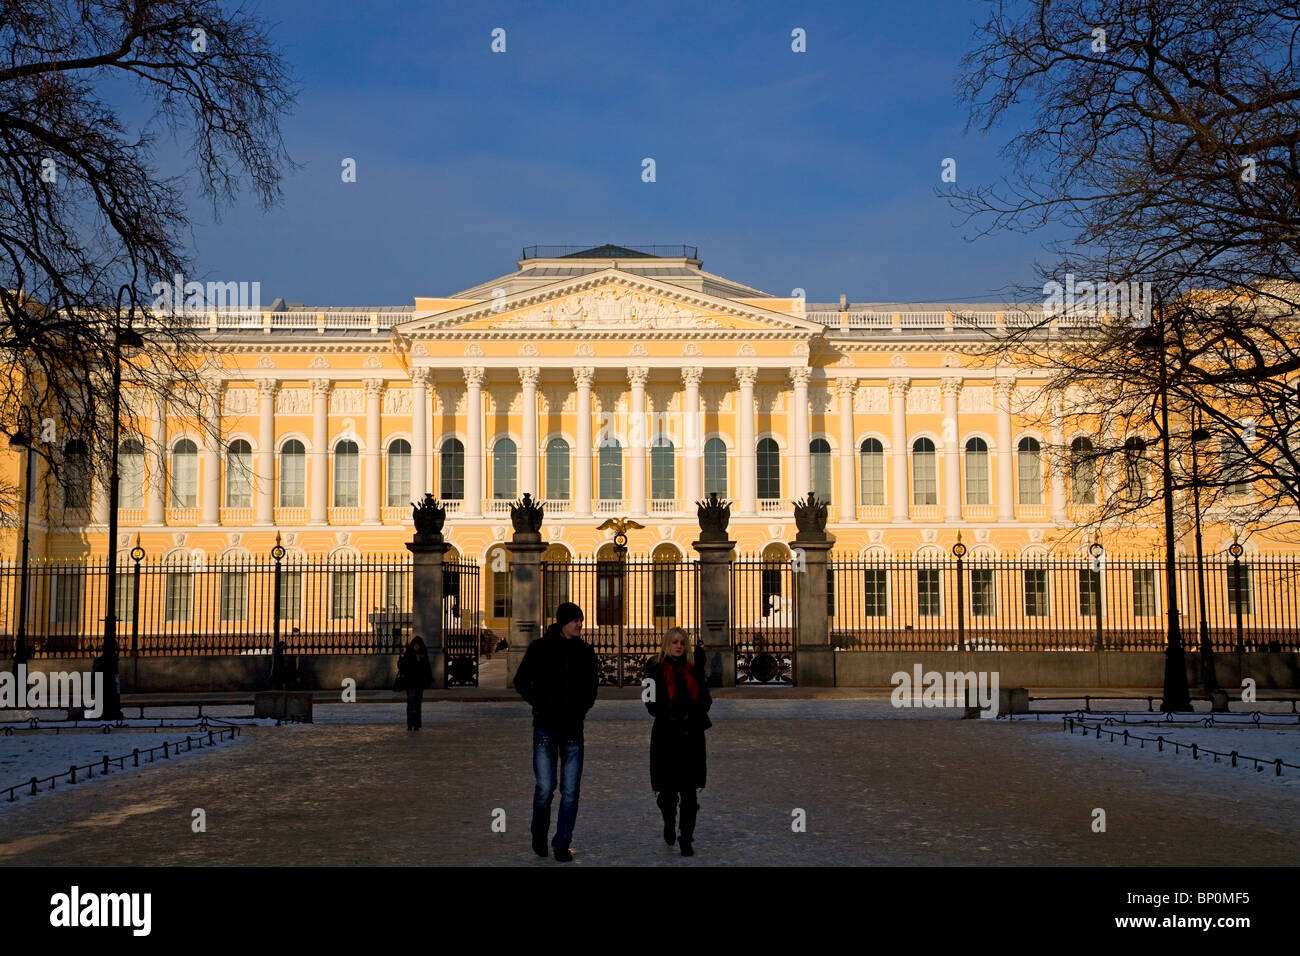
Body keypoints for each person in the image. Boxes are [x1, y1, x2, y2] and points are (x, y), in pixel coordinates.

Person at [512, 601, 598, 862]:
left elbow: (592, 688)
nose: (579, 624)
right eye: (575, 620)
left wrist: (580, 709)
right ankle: (539, 834)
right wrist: (540, 704)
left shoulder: (585, 652)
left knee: (570, 792)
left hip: (573, 730)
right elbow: (520, 681)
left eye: (580, 620)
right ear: (562, 623)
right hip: (545, 729)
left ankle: (562, 843)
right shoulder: (540, 648)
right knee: (545, 787)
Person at [645, 626, 712, 857]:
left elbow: (706, 700)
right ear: (667, 644)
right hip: (666, 737)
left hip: (691, 737)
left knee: (689, 793)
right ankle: (668, 821)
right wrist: (673, 712)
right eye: (674, 642)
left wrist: (692, 712)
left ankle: (686, 837)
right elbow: (650, 705)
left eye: (682, 643)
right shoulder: (652, 670)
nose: (678, 646)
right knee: (667, 793)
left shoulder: (694, 670)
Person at [397, 636, 434, 731]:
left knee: (417, 703)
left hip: (419, 683)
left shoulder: (423, 655)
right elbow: (403, 667)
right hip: (410, 682)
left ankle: (416, 724)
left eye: (418, 645)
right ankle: (410, 724)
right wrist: (400, 661)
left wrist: (429, 679)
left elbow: (427, 668)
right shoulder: (408, 654)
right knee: (411, 702)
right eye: (415, 645)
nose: (416, 647)